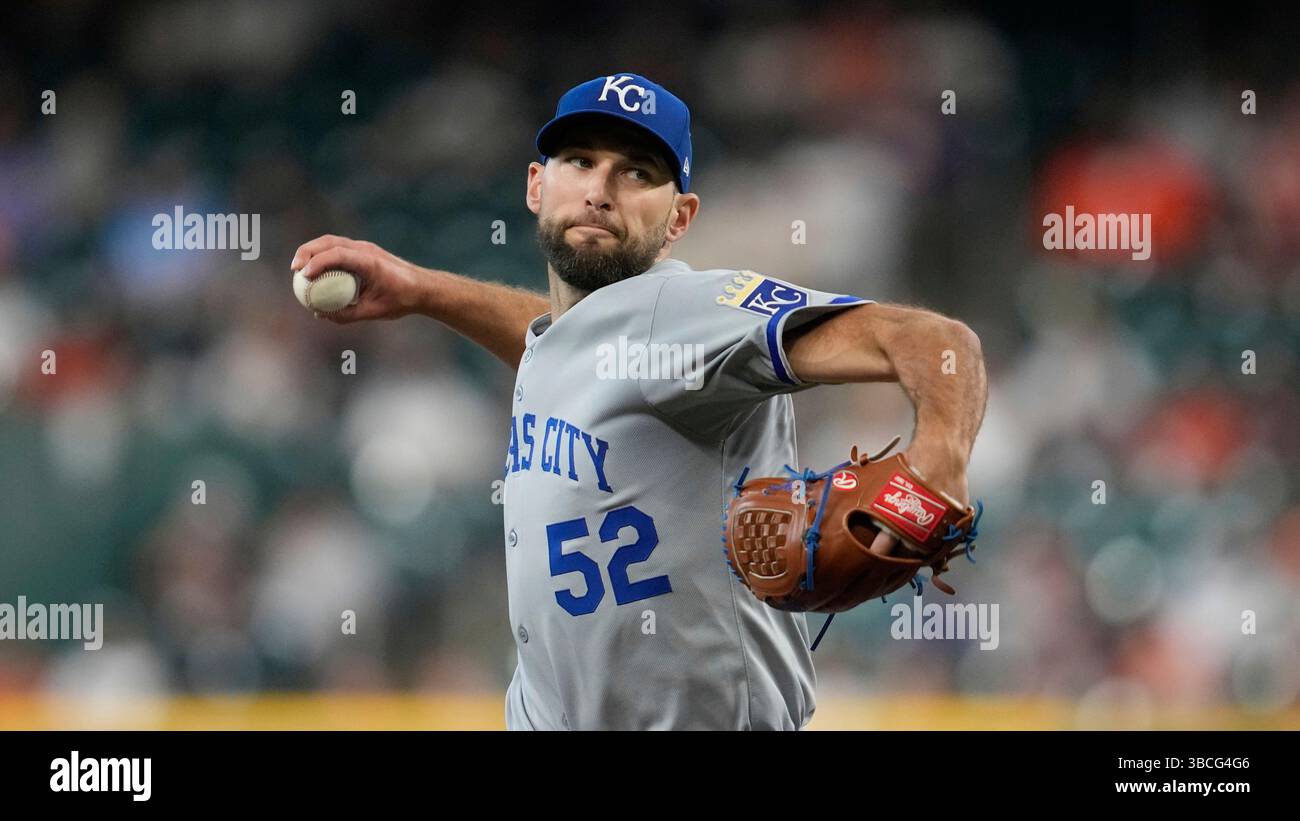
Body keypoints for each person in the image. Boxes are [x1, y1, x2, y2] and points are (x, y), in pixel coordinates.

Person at [290, 72, 988, 730]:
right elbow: (572, 351)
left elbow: (933, 339)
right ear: (537, 184)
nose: (600, 189)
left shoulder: (687, 309)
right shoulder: (581, 343)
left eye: (638, 172)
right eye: (580, 161)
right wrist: (421, 290)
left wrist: (939, 461)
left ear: (680, 216)